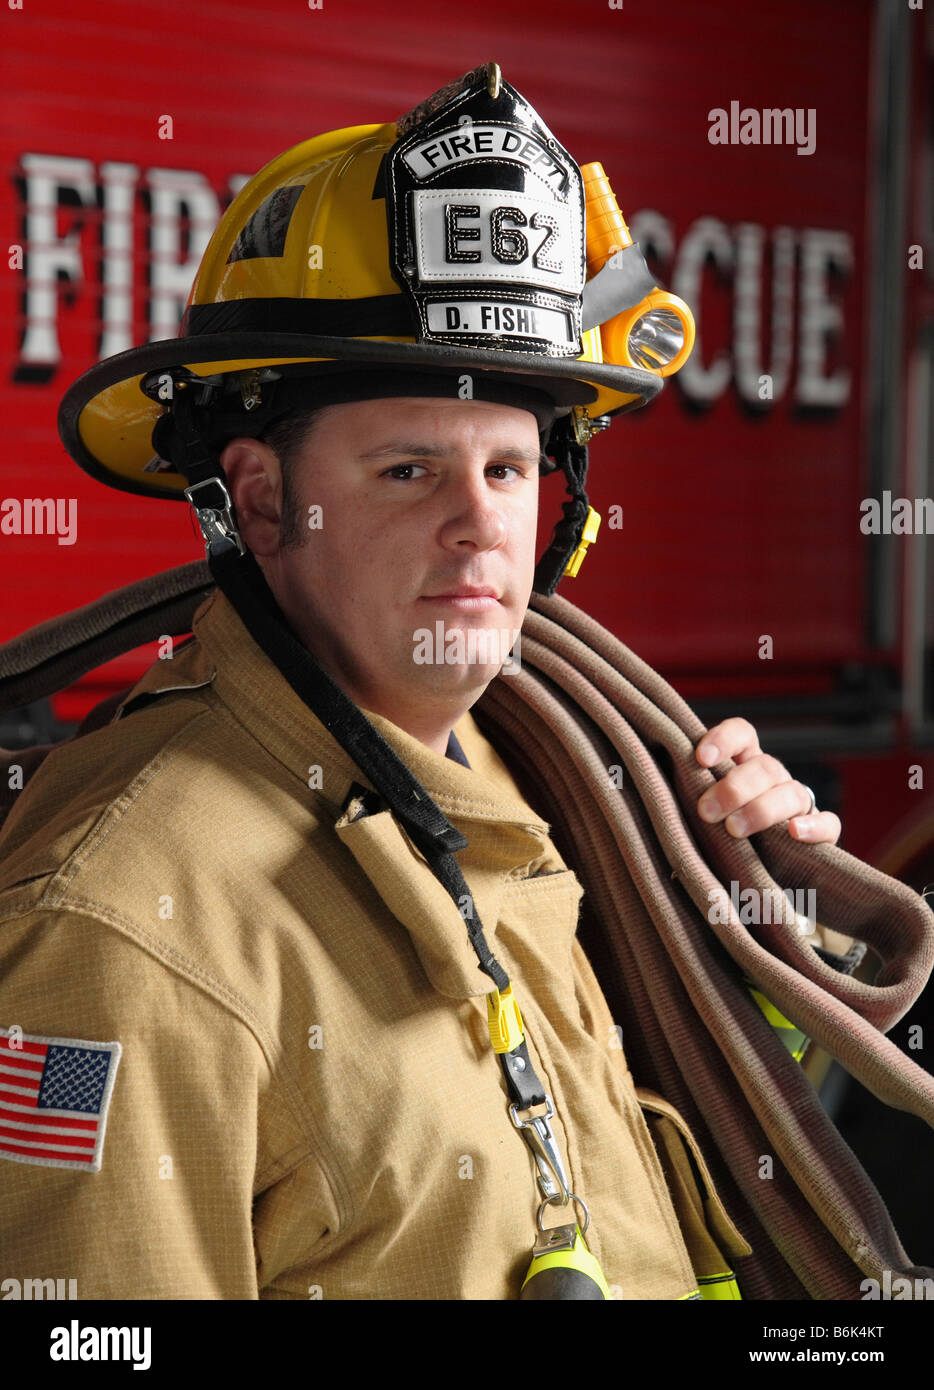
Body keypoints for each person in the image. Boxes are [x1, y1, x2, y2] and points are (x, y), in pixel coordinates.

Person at [0, 64, 846, 1301]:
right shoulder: (116, 927)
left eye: (507, 470)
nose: (477, 527)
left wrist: (743, 922)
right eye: (408, 470)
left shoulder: (543, 794)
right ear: (263, 500)